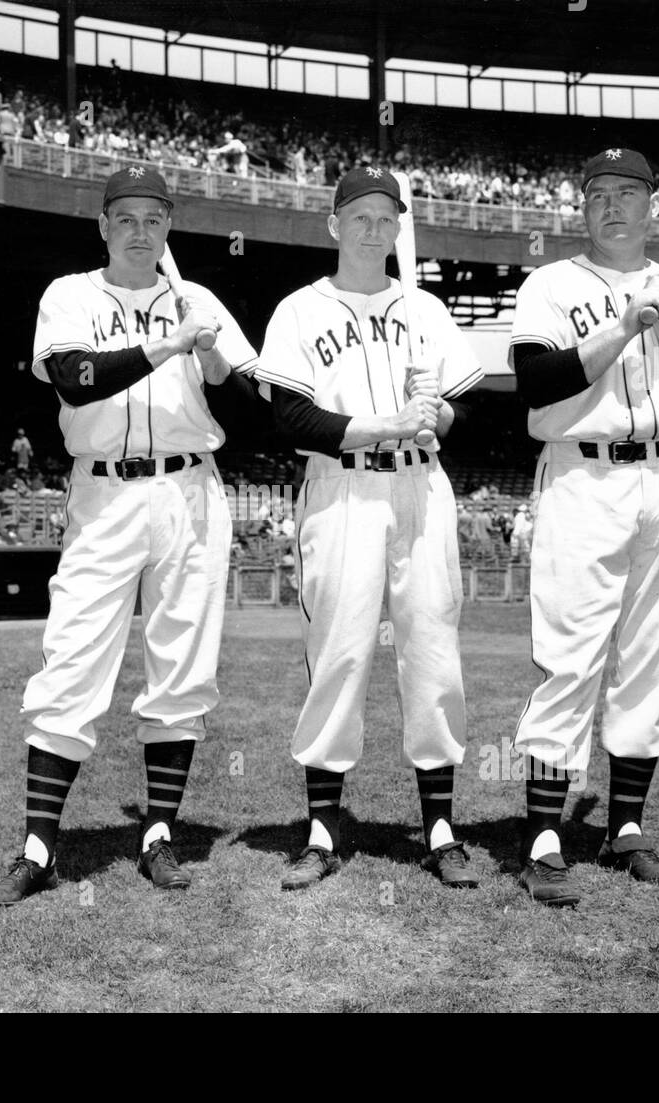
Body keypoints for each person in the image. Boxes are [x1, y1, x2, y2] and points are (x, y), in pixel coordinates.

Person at [0, 166, 263, 908]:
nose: (141, 230)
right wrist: (168, 346)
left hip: (189, 487)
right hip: (102, 489)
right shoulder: (70, 293)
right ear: (103, 225)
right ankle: (39, 848)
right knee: (72, 657)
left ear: (169, 224)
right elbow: (74, 379)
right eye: (126, 217)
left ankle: (159, 834)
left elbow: (255, 409)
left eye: (154, 216)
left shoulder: (203, 302)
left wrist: (213, 360)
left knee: (182, 666)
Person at [509, 148, 659, 906]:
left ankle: (627, 827)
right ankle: (543, 835)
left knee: (655, 652)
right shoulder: (550, 283)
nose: (613, 205)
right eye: (599, 193)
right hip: (583, 473)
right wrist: (622, 324)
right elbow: (538, 380)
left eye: (628, 193)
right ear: (583, 208)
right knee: (570, 653)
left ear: (650, 206)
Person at [254, 166, 485, 891]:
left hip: (421, 485)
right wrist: (383, 422)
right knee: (340, 655)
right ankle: (322, 829)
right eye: (360, 215)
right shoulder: (298, 309)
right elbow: (289, 417)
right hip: (343, 489)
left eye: (387, 216)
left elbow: (466, 410)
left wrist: (439, 414)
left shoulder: (427, 308)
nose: (374, 227)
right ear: (334, 223)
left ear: (398, 227)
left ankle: (441, 828)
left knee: (433, 652)